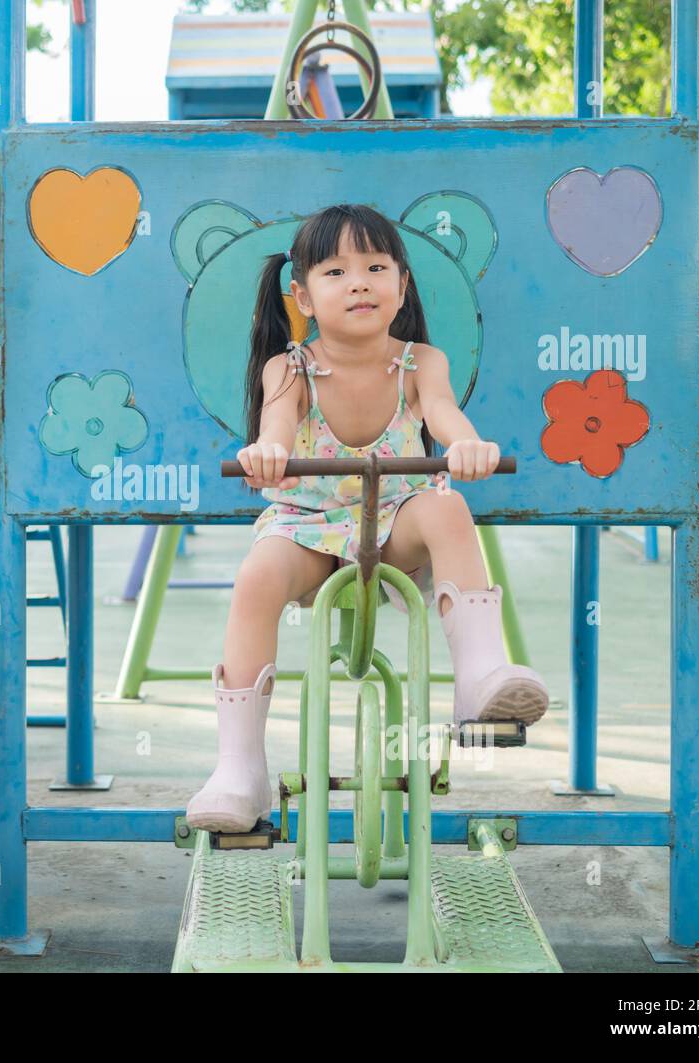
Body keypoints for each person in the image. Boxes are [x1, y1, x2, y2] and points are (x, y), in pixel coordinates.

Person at [186, 204, 550, 835]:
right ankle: (239, 769)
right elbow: (274, 426)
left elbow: (443, 414)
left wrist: (467, 445)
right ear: (301, 294)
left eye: (376, 267)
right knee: (255, 578)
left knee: (447, 506)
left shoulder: (419, 362)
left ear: (401, 287)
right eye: (335, 271)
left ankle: (480, 681)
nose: (359, 282)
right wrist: (267, 452)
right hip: (311, 526)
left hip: (395, 522)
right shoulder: (290, 368)